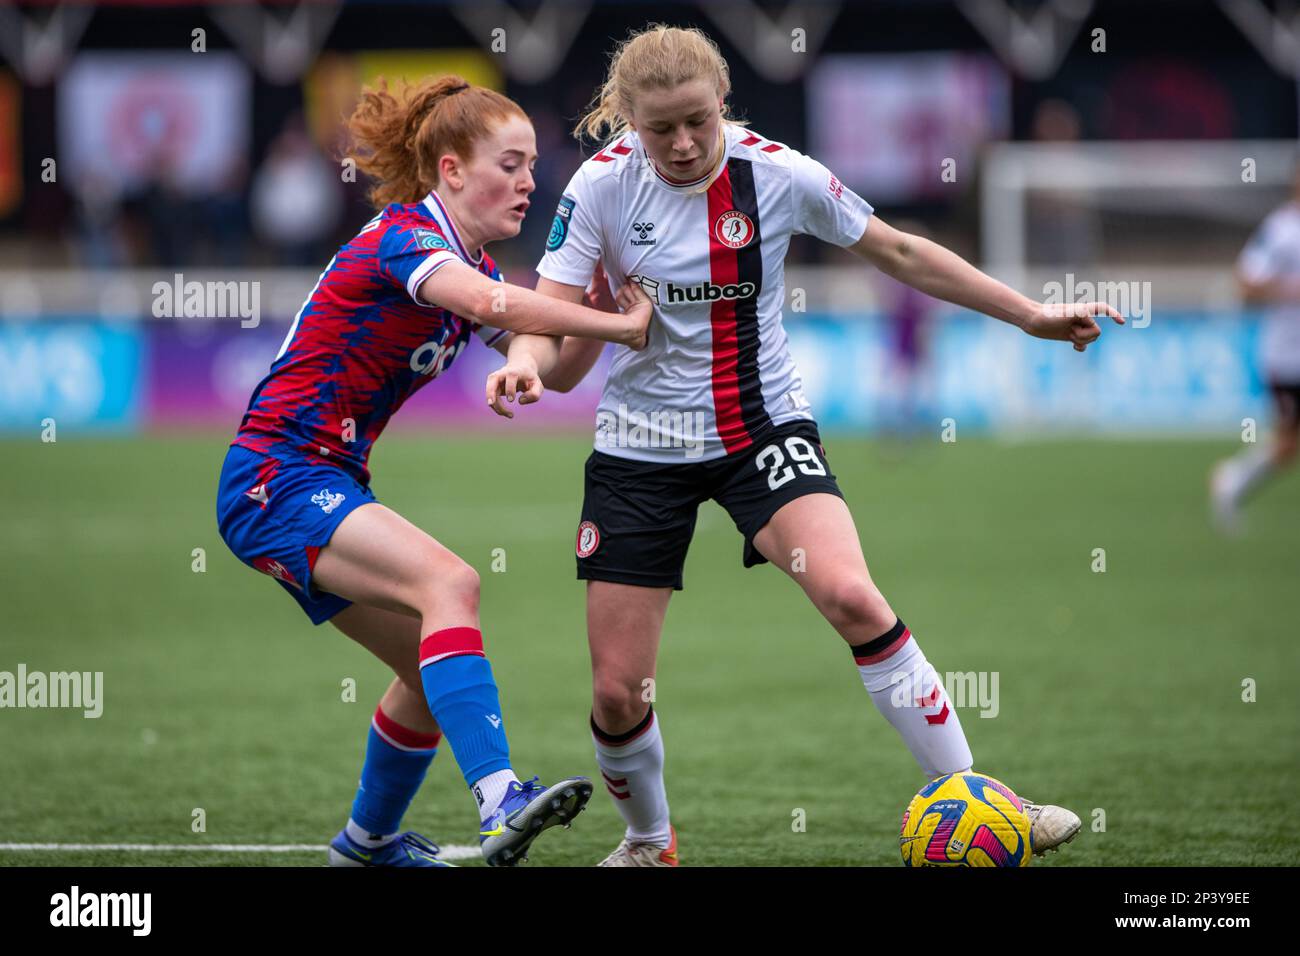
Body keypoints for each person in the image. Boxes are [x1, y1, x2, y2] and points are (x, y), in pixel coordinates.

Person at [487, 25, 1123, 866]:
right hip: (641, 447)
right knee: (615, 690)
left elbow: (898, 250)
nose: (681, 144)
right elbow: (548, 324)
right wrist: (523, 368)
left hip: (762, 429)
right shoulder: (601, 190)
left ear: (724, 105)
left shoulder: (777, 174)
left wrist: (1033, 313)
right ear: (629, 124)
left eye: (697, 123)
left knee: (852, 596)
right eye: (660, 130)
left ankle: (987, 800)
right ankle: (648, 843)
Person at [215, 75, 651, 867]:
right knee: (452, 584)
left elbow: (546, 363)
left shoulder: (465, 259)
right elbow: (498, 309)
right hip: (276, 475)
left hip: (320, 478)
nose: (528, 181)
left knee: (429, 666)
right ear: (451, 171)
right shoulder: (408, 239)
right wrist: (621, 325)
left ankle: (365, 845)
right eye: (510, 164)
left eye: (530, 165)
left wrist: (579, 321)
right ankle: (499, 801)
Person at [1211, 166, 1300, 532]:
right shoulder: (1281, 230)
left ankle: (1233, 480)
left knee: (1289, 445)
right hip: (1287, 358)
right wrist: (1287, 289)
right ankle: (1233, 480)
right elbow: (1245, 283)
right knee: (1288, 443)